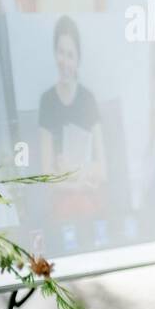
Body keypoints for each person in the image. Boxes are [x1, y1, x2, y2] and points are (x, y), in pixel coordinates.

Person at [38, 15, 106, 219]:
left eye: (70, 55)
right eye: (60, 52)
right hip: (63, 197)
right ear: (54, 52)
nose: (64, 61)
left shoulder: (88, 99)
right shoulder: (47, 101)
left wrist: (71, 171)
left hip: (89, 194)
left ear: (78, 60)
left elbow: (103, 170)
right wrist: (75, 185)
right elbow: (47, 176)